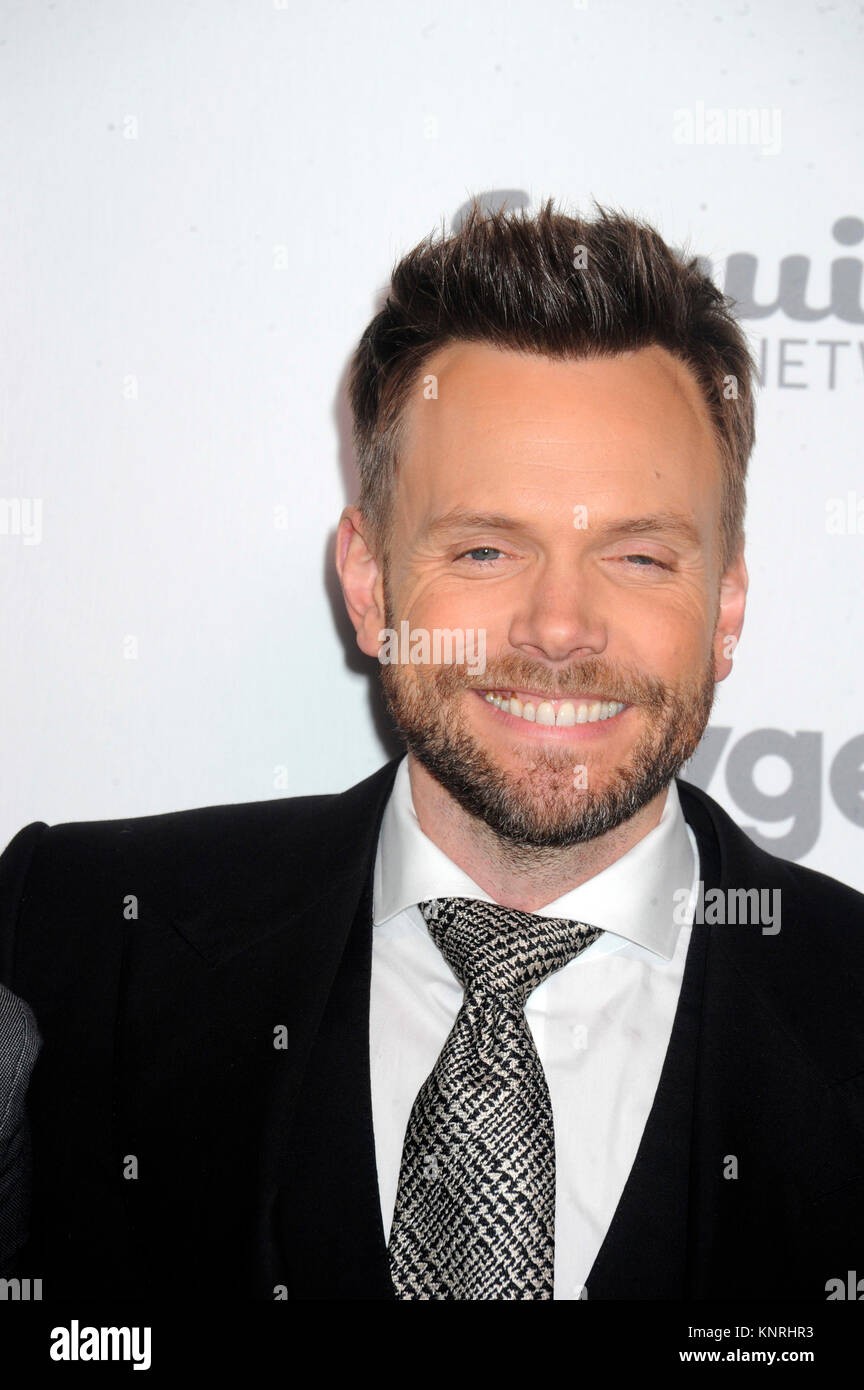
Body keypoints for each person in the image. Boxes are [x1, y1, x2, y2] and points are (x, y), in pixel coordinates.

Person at [1, 199, 862, 1301]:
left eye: (641, 558)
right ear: (369, 586)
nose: (560, 628)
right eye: (488, 547)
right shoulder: (70, 943)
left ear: (727, 606)